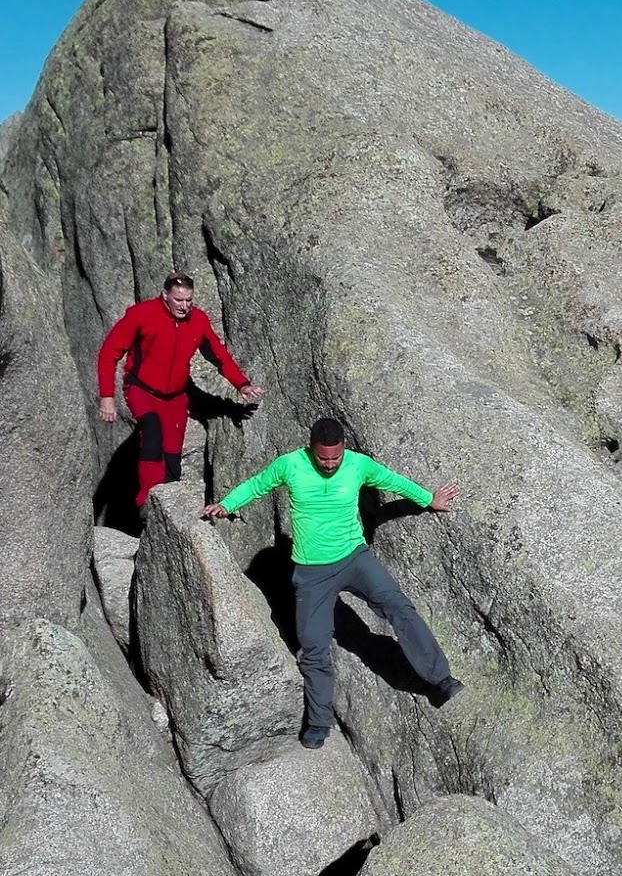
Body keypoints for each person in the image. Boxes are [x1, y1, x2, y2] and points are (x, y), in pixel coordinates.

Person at [201, 417, 464, 748]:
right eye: (322, 458)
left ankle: (440, 678)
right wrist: (227, 505)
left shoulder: (357, 465)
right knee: (312, 648)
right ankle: (319, 723)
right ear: (312, 449)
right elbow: (257, 485)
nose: (328, 464)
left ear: (343, 451)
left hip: (355, 558)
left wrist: (429, 499)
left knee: (398, 606)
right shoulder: (290, 465)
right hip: (311, 574)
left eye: (334, 458)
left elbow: (393, 481)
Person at [97, 271, 264, 508]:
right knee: (151, 429)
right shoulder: (141, 315)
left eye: (188, 301)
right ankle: (147, 499)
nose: (184, 306)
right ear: (165, 295)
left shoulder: (198, 321)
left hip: (176, 397)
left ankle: (165, 510)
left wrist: (242, 383)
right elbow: (109, 353)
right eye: (178, 300)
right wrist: (107, 398)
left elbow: (218, 355)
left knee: (172, 457)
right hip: (141, 389)